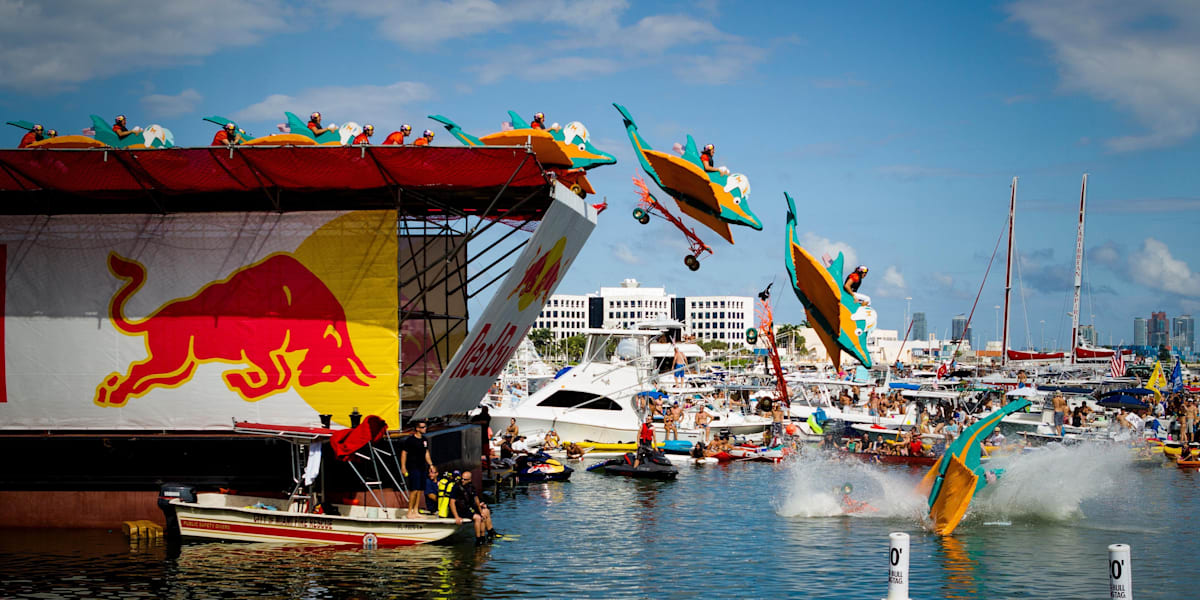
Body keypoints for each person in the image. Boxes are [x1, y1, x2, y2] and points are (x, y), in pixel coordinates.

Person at [454, 470, 498, 545]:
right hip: (462, 509)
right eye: (462, 479)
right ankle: (479, 539)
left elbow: (476, 499)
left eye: (465, 479)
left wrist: (480, 508)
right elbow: (452, 503)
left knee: (486, 511)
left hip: (469, 507)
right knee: (479, 517)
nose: (462, 480)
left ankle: (490, 533)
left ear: (470, 480)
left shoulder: (471, 487)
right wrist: (456, 516)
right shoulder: (458, 488)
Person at [400, 419, 433, 518]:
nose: (425, 429)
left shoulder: (424, 440)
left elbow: (426, 452)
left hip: (422, 466)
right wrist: (403, 467)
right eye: (422, 427)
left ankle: (415, 510)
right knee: (414, 490)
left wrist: (431, 464)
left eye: (425, 427)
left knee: (420, 490)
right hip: (413, 467)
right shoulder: (410, 440)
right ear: (417, 429)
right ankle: (409, 511)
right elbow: (404, 453)